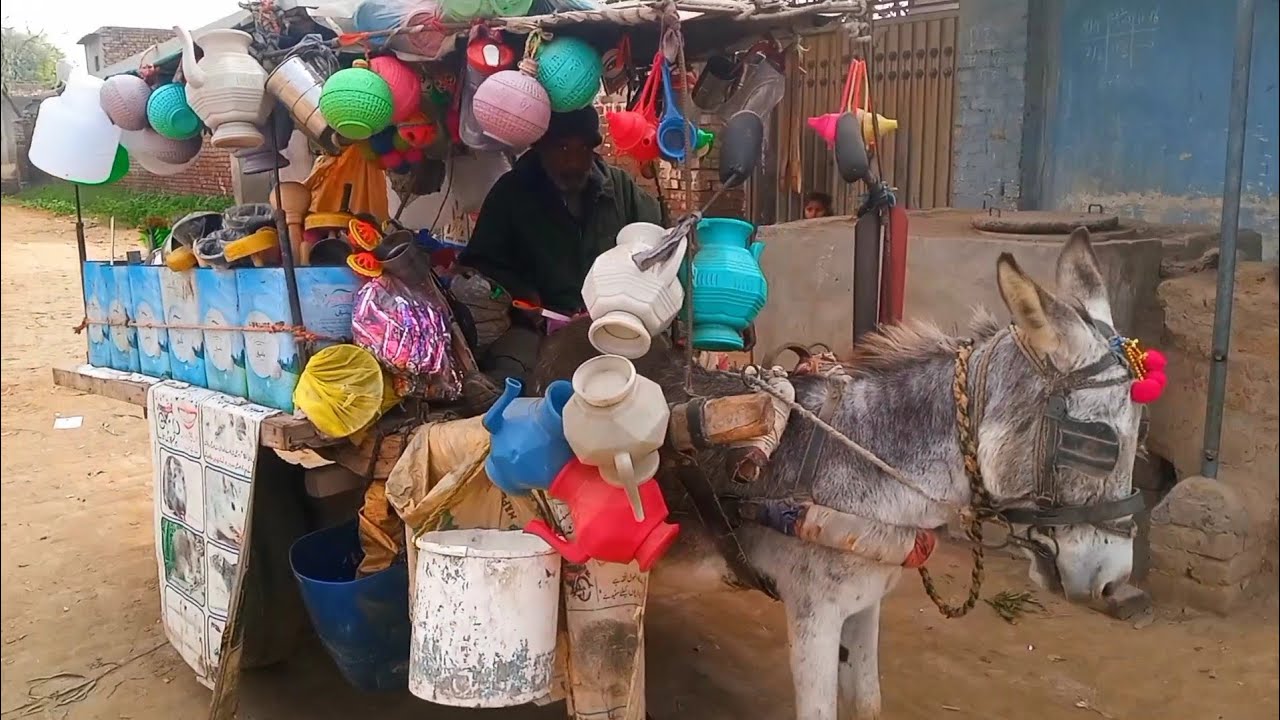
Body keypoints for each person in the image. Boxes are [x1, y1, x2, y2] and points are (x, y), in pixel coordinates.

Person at [459, 107, 665, 382]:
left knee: (653, 374)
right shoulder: (511, 193)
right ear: (541, 148)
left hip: (611, 322)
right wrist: (522, 294)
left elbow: (656, 248)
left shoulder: (620, 189)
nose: (573, 162)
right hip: (535, 324)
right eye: (563, 148)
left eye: (582, 150)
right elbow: (480, 261)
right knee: (514, 379)